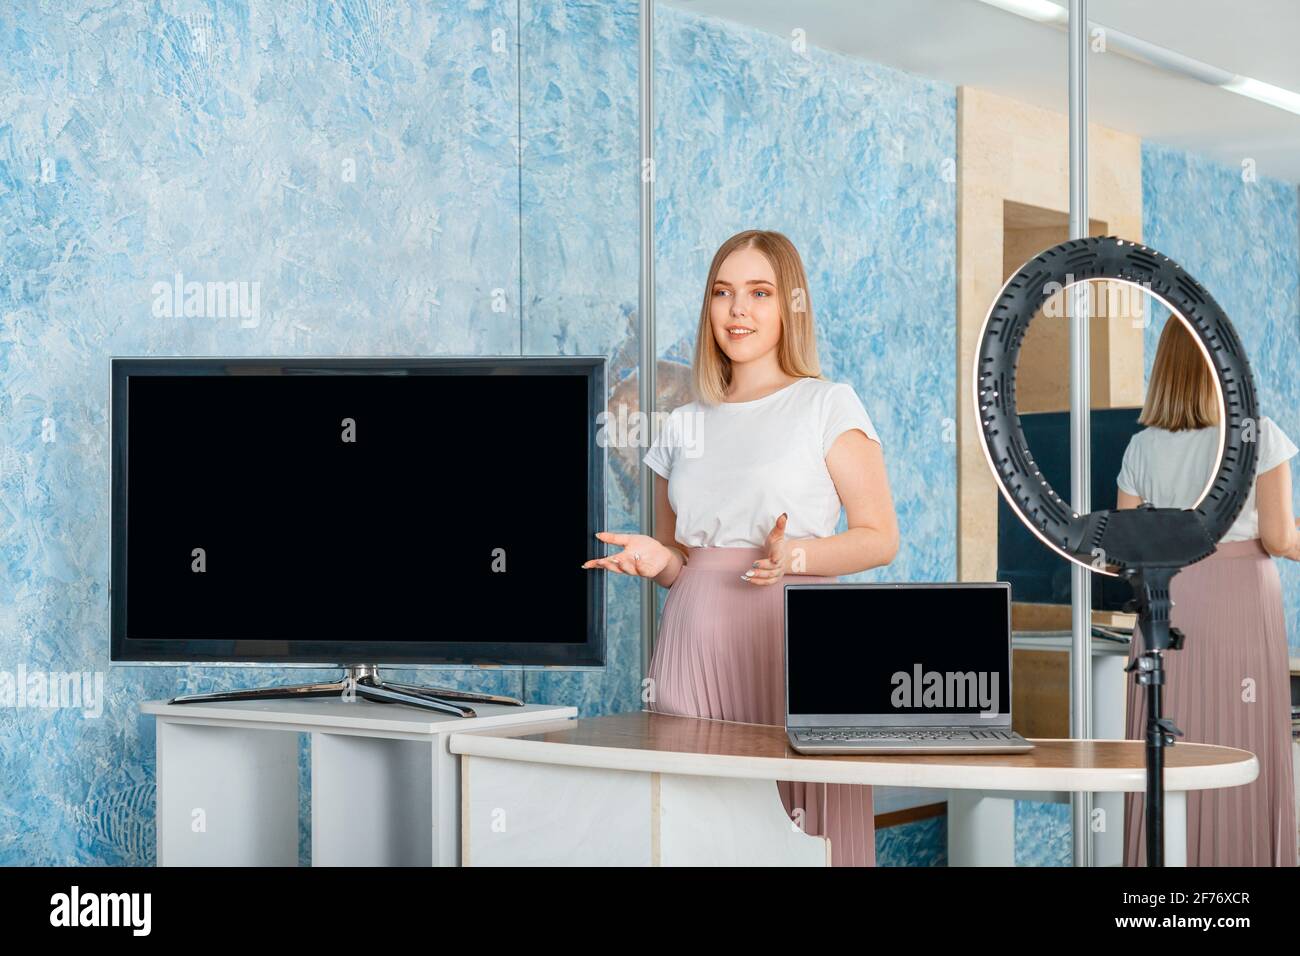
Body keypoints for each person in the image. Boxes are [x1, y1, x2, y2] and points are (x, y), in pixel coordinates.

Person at [581, 229, 900, 866]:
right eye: (723, 293)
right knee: (699, 826)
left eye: (759, 292)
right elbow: (682, 562)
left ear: (791, 307)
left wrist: (795, 558)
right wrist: (660, 561)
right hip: (696, 638)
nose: (738, 310)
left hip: (794, 640)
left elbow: (880, 538)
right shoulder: (681, 425)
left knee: (804, 827)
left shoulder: (826, 404)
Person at [1117, 315, 1299, 866]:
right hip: (1242, 604)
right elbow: (1279, 536)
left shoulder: (1142, 446)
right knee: (1243, 747)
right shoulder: (1259, 436)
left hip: (1167, 601)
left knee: (1164, 750)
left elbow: (1129, 545)